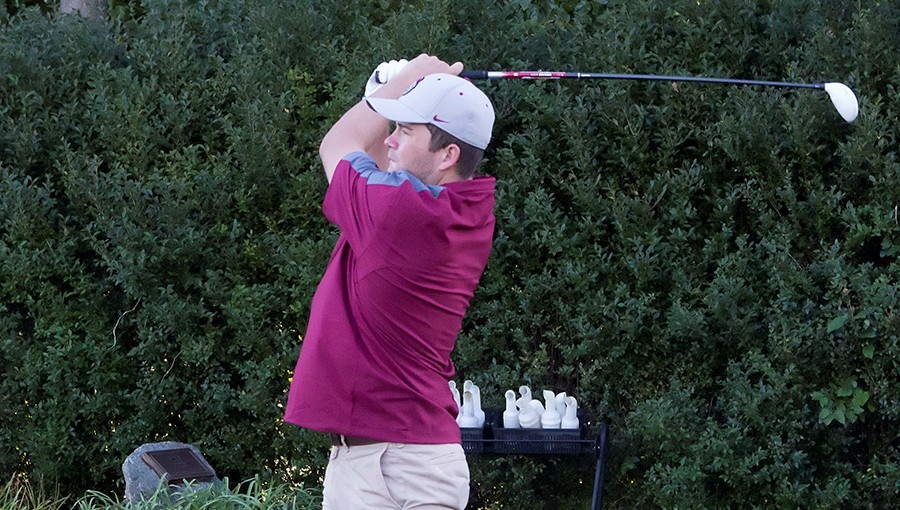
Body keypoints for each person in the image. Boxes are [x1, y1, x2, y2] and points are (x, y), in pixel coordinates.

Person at [284, 54, 497, 509]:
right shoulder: (461, 211)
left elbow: (338, 144)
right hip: (392, 461)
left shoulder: (399, 212)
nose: (393, 138)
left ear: (448, 154)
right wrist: (401, 94)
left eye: (407, 129)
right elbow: (384, 165)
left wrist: (402, 78)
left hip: (400, 469)